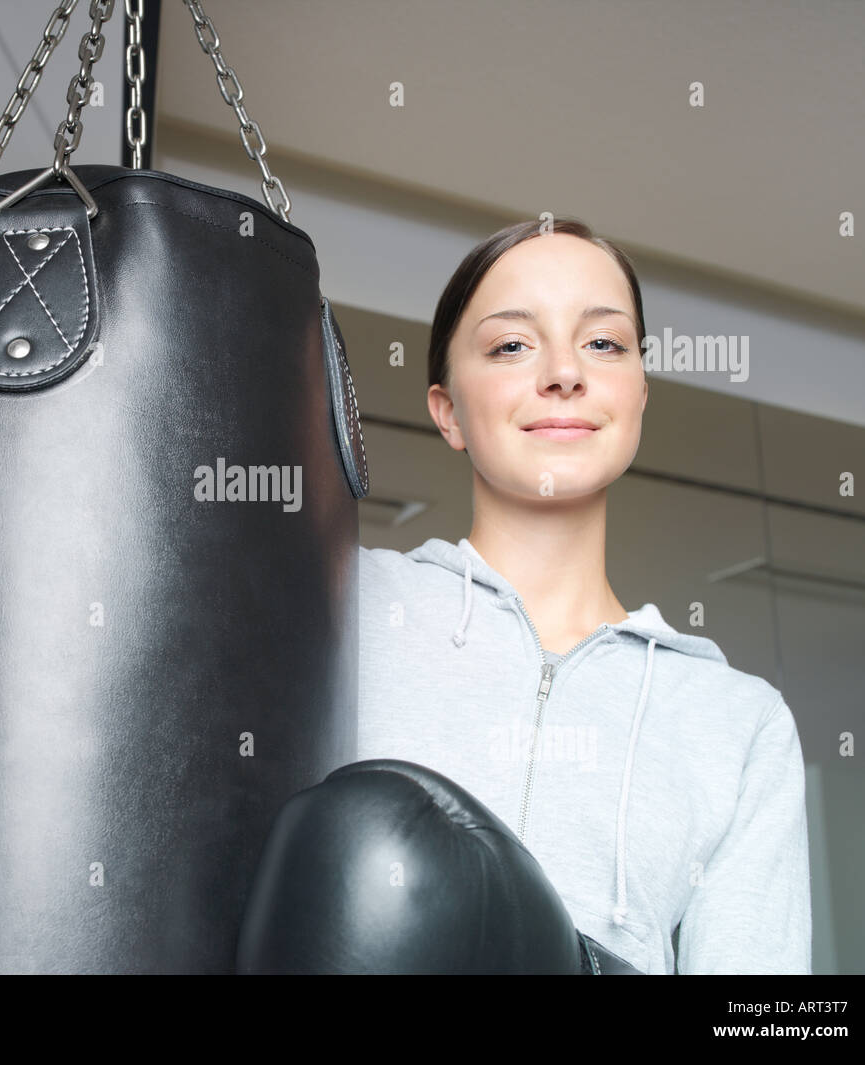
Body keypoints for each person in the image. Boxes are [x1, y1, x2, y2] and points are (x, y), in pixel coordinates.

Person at [356, 217, 812, 974]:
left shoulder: (740, 723)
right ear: (448, 412)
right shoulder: (347, 605)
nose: (564, 372)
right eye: (511, 345)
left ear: (637, 392)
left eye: (603, 343)